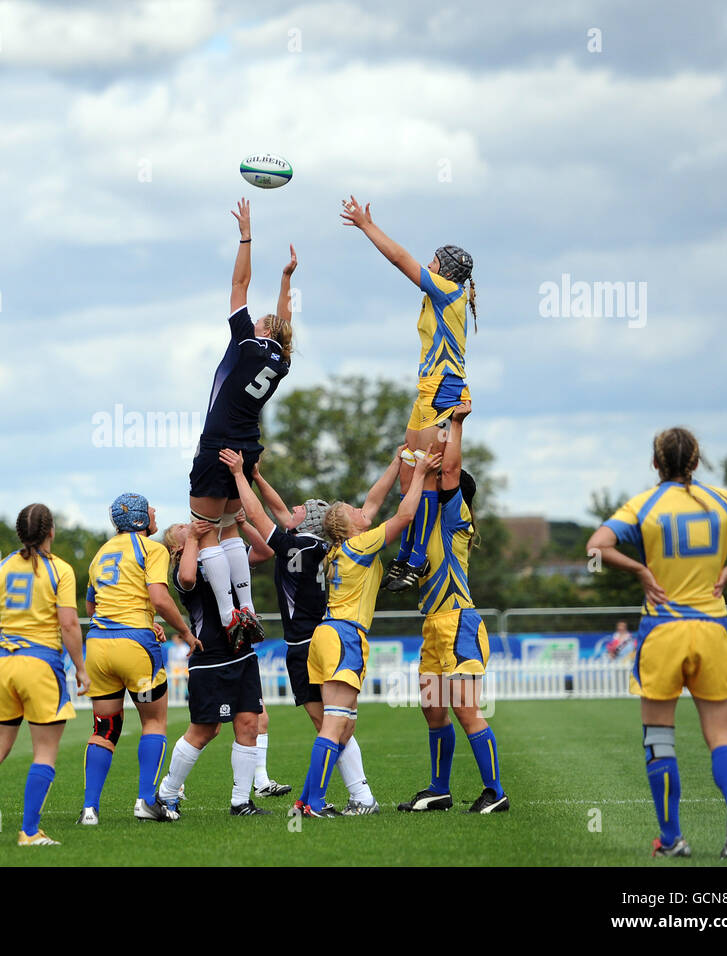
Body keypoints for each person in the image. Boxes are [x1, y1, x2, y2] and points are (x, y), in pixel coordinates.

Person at [586, 427, 727, 859]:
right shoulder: (722, 502)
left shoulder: (643, 505)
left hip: (663, 630)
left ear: (655, 463)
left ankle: (672, 838)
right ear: (696, 463)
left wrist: (641, 571)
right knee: (721, 734)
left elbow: (596, 547)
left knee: (659, 738)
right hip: (713, 629)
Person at [234, 446, 440, 817]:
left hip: (323, 637)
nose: (361, 511)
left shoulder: (333, 547)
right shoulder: (355, 544)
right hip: (338, 635)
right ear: (346, 526)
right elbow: (404, 514)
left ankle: (354, 798)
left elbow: (370, 504)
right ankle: (312, 803)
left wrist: (396, 463)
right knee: (332, 726)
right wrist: (420, 471)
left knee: (340, 725)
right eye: (354, 512)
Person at [341, 197, 475, 593]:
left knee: (429, 474)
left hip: (446, 389)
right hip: (426, 390)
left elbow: (401, 260)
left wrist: (367, 226)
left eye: (433, 260)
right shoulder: (442, 294)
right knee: (408, 469)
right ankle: (409, 550)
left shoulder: (448, 289)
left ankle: (416, 560)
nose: (428, 264)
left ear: (446, 269)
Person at [0, 504, 90, 847]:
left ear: (20, 533)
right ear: (51, 531)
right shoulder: (60, 571)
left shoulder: (1, 568)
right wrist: (81, 668)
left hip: (5, 663)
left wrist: (10, 648)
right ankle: (29, 831)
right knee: (44, 752)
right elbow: (68, 623)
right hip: (40, 665)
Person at [188, 198, 296, 647]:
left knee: (205, 530)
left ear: (261, 330)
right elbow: (285, 322)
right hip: (248, 449)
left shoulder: (247, 344)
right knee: (231, 528)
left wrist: (246, 235)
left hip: (220, 445)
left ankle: (231, 614)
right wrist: (287, 279)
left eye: (260, 320)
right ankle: (248, 608)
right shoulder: (282, 360)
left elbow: (239, 282)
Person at [395, 403, 508, 814]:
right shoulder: (424, 518)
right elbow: (415, 482)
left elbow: (450, 472)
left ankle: (496, 792)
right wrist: (409, 456)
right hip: (434, 627)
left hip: (459, 623)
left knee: (464, 708)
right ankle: (439, 789)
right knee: (433, 709)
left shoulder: (454, 517)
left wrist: (454, 425)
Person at [78, 493, 199, 825]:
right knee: (153, 722)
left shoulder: (101, 553)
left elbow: (92, 608)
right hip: (135, 646)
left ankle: (90, 809)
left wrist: (143, 620)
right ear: (139, 518)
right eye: (149, 508)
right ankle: (146, 801)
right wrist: (185, 633)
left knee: (105, 728)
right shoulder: (153, 549)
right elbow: (159, 597)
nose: (154, 511)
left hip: (99, 646)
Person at [156, 519, 268, 816]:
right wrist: (193, 536)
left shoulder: (222, 553)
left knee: (249, 725)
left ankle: (241, 801)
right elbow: (190, 579)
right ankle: (167, 792)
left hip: (241, 651)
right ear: (176, 547)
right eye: (182, 527)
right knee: (206, 730)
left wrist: (240, 523)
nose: (188, 523)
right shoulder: (182, 570)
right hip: (210, 658)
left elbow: (263, 551)